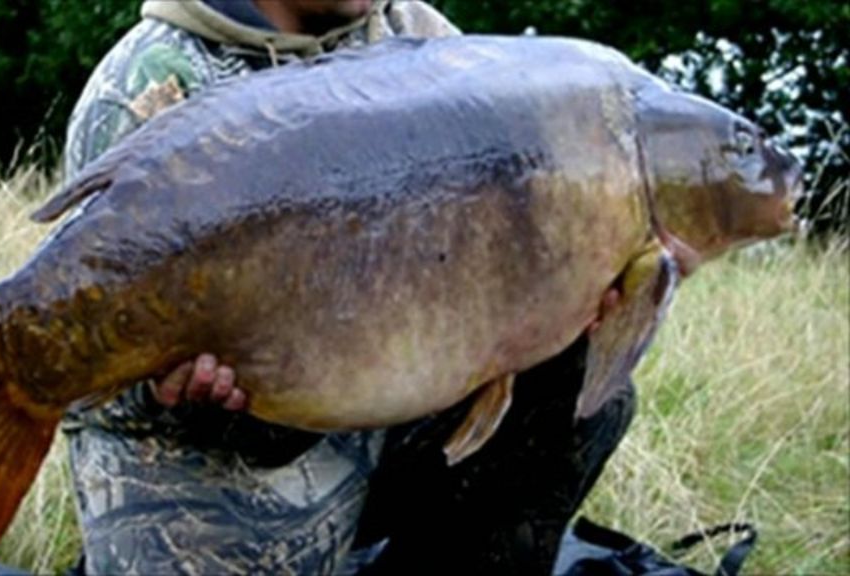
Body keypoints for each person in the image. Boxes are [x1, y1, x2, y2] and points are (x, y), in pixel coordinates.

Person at [60, 1, 637, 575]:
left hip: (381, 407)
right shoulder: (148, 83)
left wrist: (573, 280)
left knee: (582, 376)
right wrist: (167, 385)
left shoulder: (415, 33)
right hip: (207, 457)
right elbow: (82, 362)